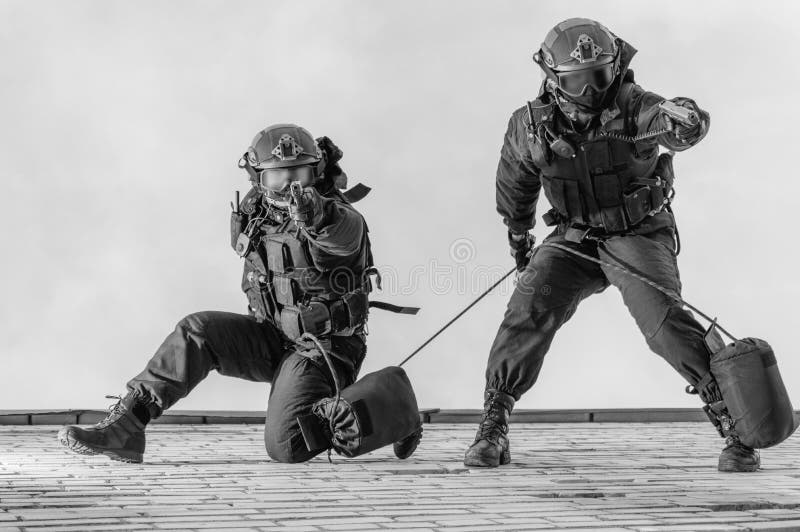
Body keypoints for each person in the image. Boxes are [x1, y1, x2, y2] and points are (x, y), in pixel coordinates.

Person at [464, 18, 760, 472]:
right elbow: (515, 185)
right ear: (552, 78)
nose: (589, 91)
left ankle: (735, 422)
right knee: (529, 304)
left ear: (615, 69)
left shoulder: (635, 106)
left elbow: (669, 120)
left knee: (662, 318)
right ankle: (494, 422)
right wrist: (519, 236)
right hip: (574, 236)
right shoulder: (530, 126)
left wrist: (686, 121)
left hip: (636, 231)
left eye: (599, 77)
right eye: (576, 81)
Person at [58, 124, 422, 464]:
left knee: (288, 445)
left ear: (317, 172)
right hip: (272, 335)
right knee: (197, 331)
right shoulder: (257, 211)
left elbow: (339, 235)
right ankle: (126, 429)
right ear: (258, 177)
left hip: (325, 348)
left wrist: (315, 215)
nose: (289, 186)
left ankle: (393, 404)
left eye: (299, 174)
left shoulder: (337, 216)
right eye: (277, 177)